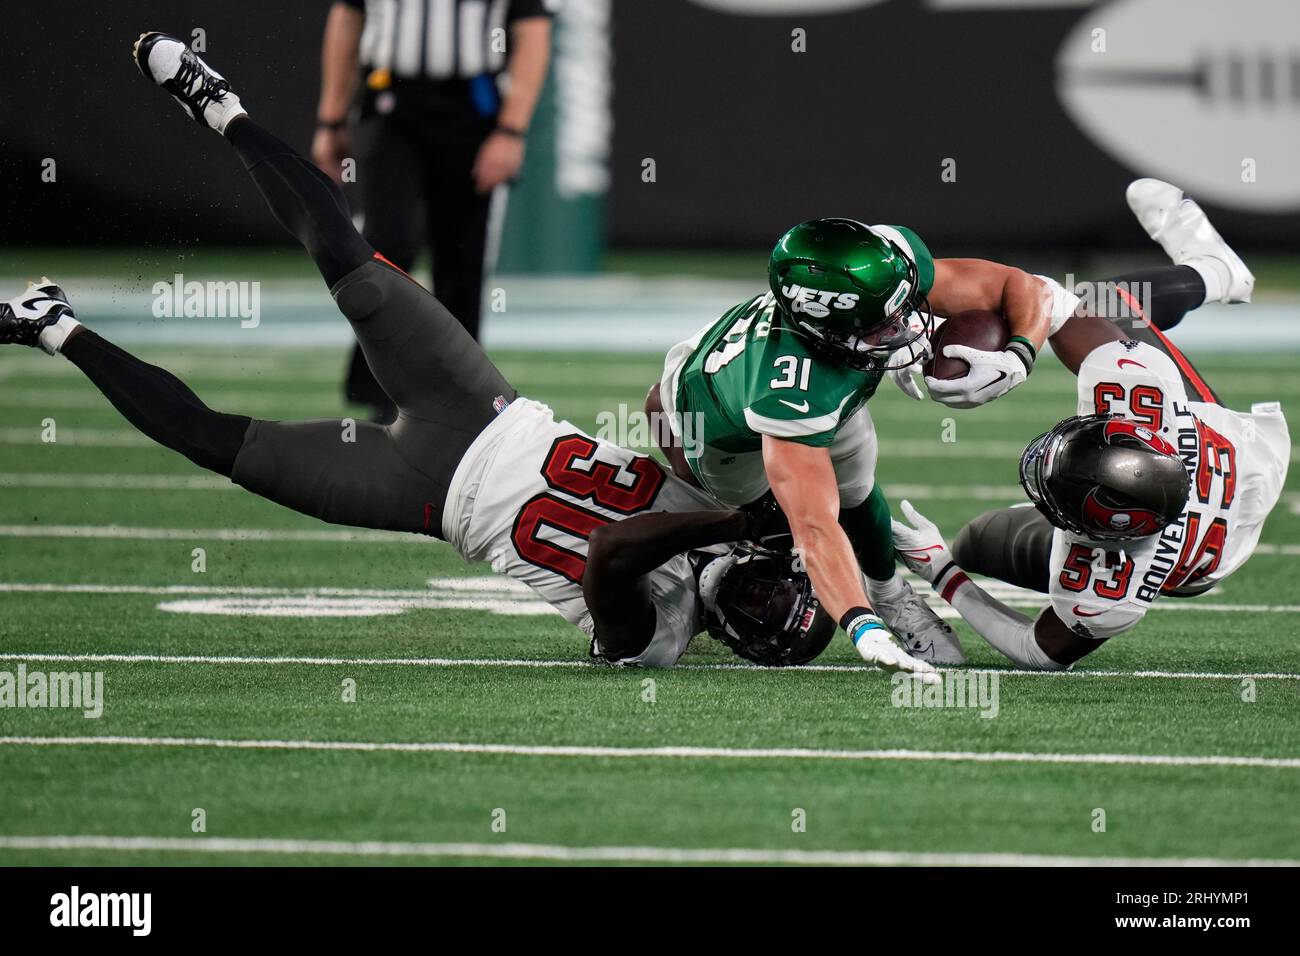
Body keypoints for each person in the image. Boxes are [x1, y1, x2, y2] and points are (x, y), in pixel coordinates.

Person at [0, 32, 857, 672]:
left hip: (426, 495)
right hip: (485, 408)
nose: (760, 591)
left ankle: (51, 326)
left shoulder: (658, 639)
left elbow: (609, 554)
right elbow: (782, 461)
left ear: (745, 639)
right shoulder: (735, 503)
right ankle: (217, 104)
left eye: (763, 608)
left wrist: (730, 525)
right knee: (357, 270)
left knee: (219, 443)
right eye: (779, 588)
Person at [892, 180, 1288, 670]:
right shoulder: (1144, 394)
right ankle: (1216, 271)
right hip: (1234, 451)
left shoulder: (1116, 589)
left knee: (971, 545)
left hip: (1195, 558)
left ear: (1095, 538)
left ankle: (1214, 272)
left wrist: (943, 572)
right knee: (1106, 301)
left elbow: (1036, 650)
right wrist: (1010, 351)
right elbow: (1049, 299)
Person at [648, 218, 1078, 666]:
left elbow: (1020, 285)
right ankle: (879, 597)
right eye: (882, 326)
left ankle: (890, 592)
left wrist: (1020, 354)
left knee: (855, 487)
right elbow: (815, 529)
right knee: (780, 523)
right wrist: (862, 626)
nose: (910, 326)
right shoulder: (793, 390)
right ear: (826, 332)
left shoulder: (886, 262)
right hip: (722, 435)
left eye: (904, 310)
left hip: (771, 371)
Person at [312, 0, 554, 422]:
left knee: (461, 262)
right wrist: (331, 117)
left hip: (471, 108)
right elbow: (348, 16)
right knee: (388, 246)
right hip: (393, 103)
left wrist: (511, 131)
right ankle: (381, 392)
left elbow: (532, 31)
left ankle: (460, 400)